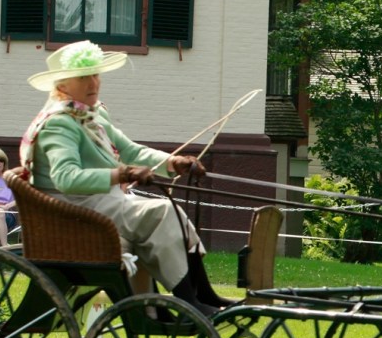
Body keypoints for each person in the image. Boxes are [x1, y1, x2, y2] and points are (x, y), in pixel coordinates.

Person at [20, 40, 228, 315]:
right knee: (163, 210)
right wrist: (122, 173)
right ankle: (189, 302)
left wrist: (173, 162)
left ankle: (204, 295)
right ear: (63, 85)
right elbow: (66, 177)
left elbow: (130, 150)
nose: (93, 83)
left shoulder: (92, 115)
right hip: (75, 210)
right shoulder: (59, 123)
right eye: (84, 77)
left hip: (101, 202)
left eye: (96, 75)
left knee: (170, 212)